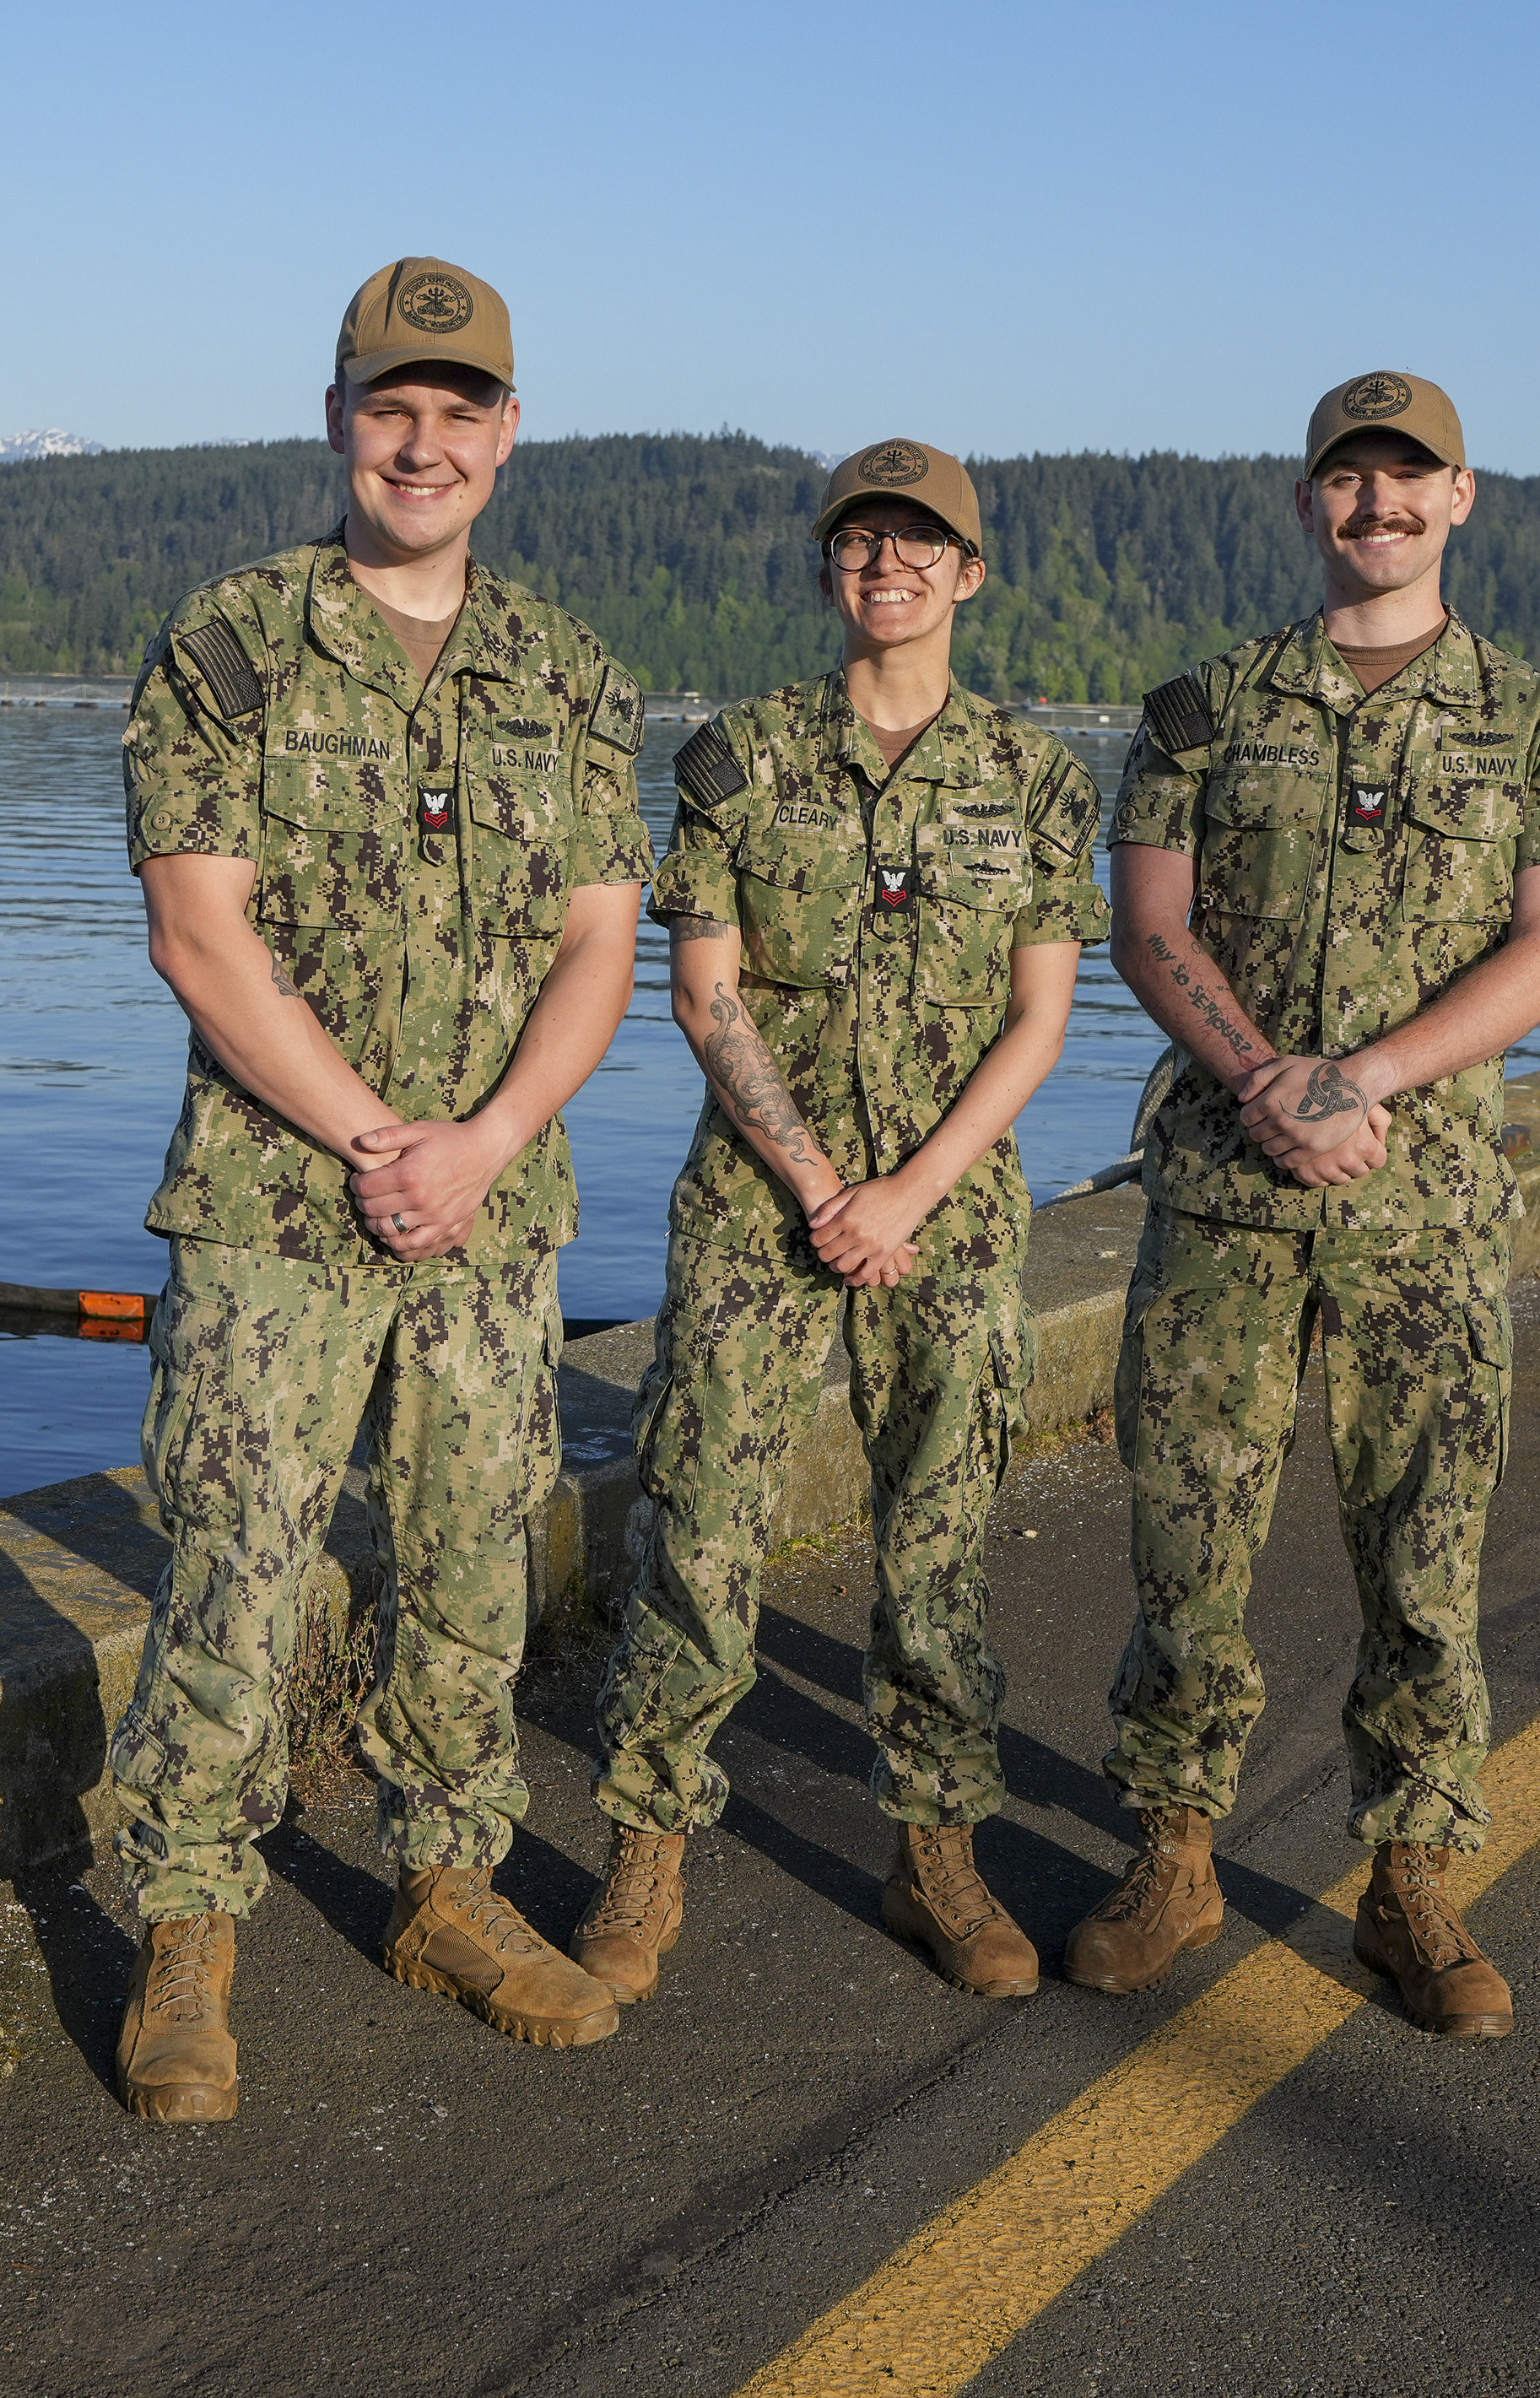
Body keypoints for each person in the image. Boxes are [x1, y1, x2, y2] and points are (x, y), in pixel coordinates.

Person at [103, 257, 655, 2123]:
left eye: (458, 412)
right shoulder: (229, 644)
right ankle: (188, 1926)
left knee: (472, 1558)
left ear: (510, 434)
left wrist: (479, 1145)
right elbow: (202, 938)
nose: (423, 445)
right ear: (337, 417)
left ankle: (446, 1885)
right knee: (237, 1563)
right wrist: (374, 1139)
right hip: (274, 1209)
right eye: (390, 408)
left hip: (492, 1211)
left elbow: (600, 942)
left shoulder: (570, 675)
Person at [1069, 370, 1540, 2040]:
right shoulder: (1203, 708)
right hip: (1224, 1196)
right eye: (1348, 477)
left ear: (1462, 495)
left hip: (1422, 1208)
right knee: (1187, 1538)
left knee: (1424, 1552)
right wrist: (1266, 1082)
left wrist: (1358, 1081)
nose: (1377, 503)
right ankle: (1174, 1852)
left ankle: (1412, 1876)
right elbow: (1150, 927)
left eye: (1407, 475)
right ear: (1306, 500)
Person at [575, 439, 1104, 2006]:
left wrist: (908, 1193)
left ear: (970, 574)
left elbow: (1041, 1019)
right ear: (828, 570)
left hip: (950, 1214)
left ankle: (936, 1846)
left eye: (920, 542)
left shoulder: (1037, 779)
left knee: (940, 1533)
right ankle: (648, 1840)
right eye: (861, 540)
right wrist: (822, 1189)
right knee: (697, 1515)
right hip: (760, 1204)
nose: (889, 565)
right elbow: (705, 992)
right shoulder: (737, 759)